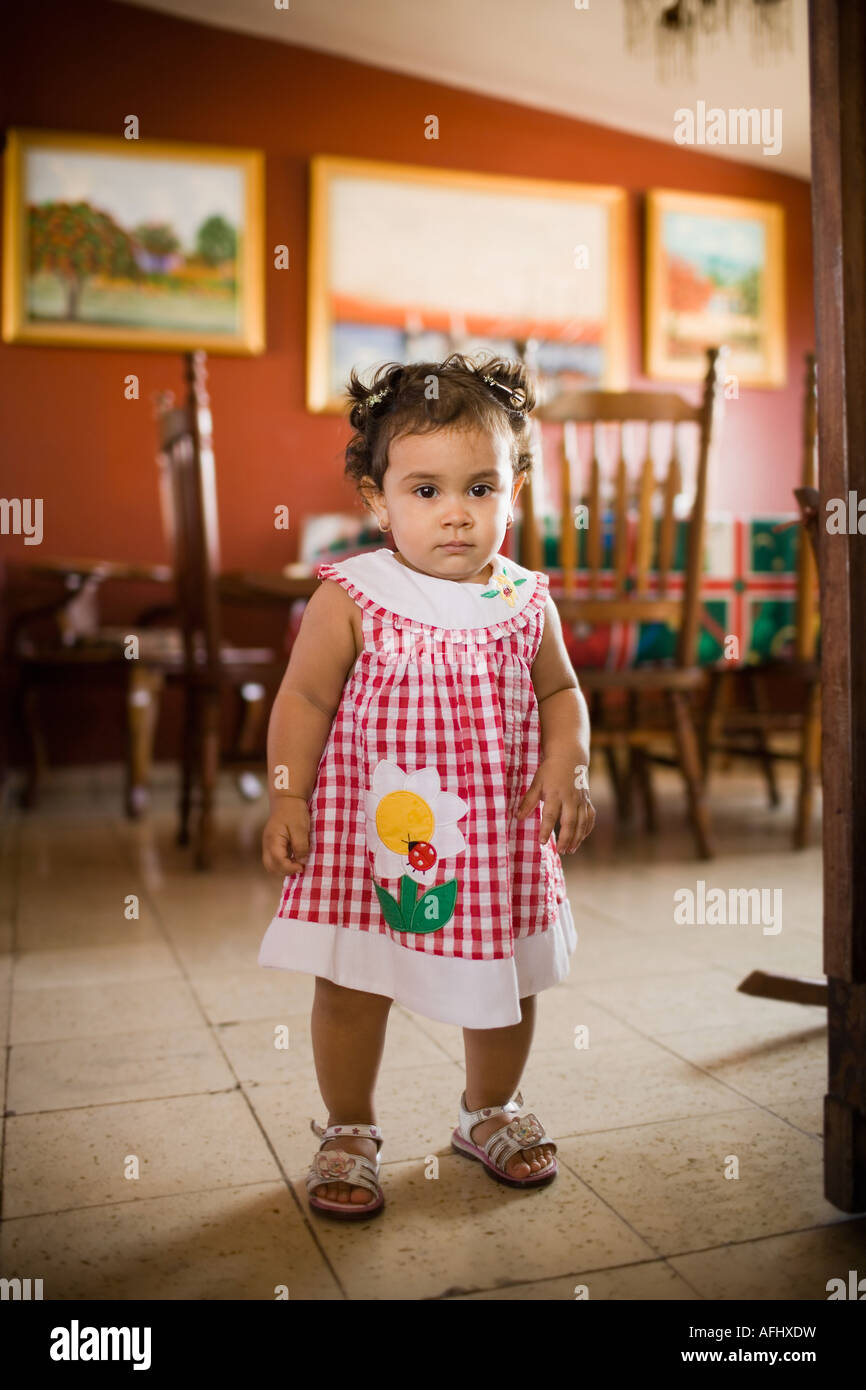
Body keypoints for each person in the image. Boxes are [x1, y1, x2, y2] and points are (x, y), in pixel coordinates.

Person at [259, 353, 595, 1219]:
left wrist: (570, 763)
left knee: (505, 980)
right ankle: (349, 1126)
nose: (457, 513)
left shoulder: (526, 599)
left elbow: (561, 692)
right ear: (376, 498)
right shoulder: (355, 593)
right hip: (371, 837)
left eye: (482, 489)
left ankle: (488, 1111)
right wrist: (289, 794)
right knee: (351, 978)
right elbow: (302, 695)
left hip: (494, 839)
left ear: (516, 488)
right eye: (426, 491)